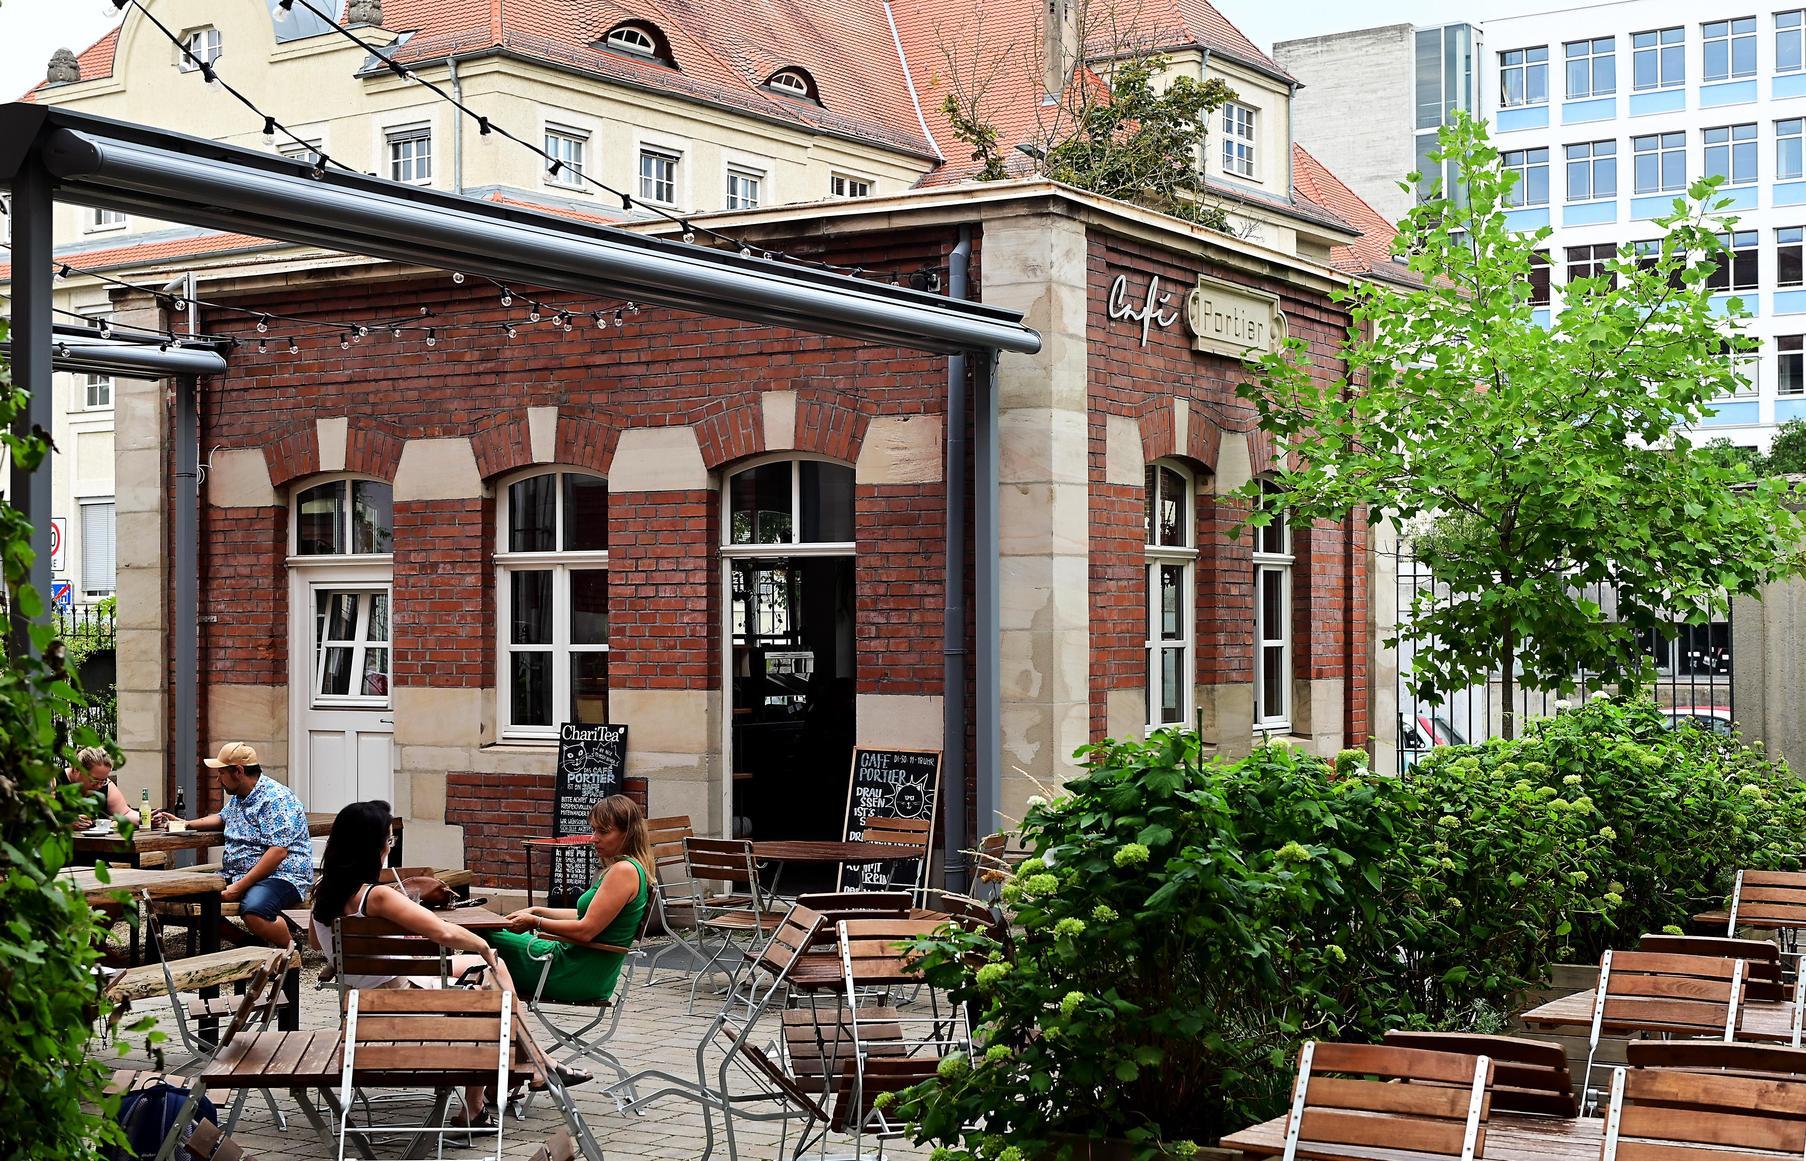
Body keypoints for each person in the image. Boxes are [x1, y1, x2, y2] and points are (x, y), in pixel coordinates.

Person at [310, 800, 517, 1126]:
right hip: (405, 1003)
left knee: (481, 970)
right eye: (388, 840)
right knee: (490, 981)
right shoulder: (378, 896)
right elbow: (443, 932)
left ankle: (520, 1067)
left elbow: (313, 942)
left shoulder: (322, 891)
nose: (389, 847)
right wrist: (483, 945)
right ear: (374, 846)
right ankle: (482, 1102)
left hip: (360, 1008)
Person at [487, 794, 652, 1007]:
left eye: (603, 831)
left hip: (572, 972)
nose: (593, 838)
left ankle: (495, 1022)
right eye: (593, 830)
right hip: (582, 968)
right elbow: (586, 915)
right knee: (488, 937)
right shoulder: (629, 868)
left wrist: (535, 923)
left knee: (483, 939)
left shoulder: (623, 871)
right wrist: (538, 911)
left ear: (627, 833)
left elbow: (586, 930)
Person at [154, 742, 312, 950]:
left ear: (238, 771)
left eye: (221, 774)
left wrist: (237, 888)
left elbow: (278, 852)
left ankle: (289, 950)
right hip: (236, 872)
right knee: (190, 896)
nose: (218, 780)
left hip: (281, 875)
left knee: (255, 911)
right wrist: (185, 824)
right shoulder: (240, 796)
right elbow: (222, 818)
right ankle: (248, 943)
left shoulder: (277, 799)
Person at [68, 746, 129, 829]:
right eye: (94, 780)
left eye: (103, 780)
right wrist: (65, 823)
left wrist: (146, 819)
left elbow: (125, 813)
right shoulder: (55, 782)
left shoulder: (106, 785)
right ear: (76, 769)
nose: (99, 786)